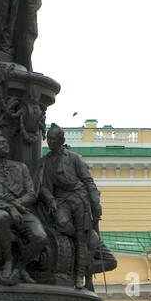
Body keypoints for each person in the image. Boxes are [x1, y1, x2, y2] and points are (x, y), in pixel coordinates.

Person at [0, 129, 46, 284]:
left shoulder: (21, 167)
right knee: (0, 216)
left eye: (6, 142)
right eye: (0, 143)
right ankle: (8, 260)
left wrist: (17, 204)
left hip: (23, 211)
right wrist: (10, 208)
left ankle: (20, 267)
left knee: (40, 237)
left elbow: (31, 193)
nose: (6, 145)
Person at [36, 123, 102, 289]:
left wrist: (95, 201)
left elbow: (88, 180)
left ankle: (79, 275)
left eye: (53, 139)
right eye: (48, 138)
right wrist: (50, 199)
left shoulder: (74, 158)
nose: (49, 142)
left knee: (82, 237)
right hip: (61, 200)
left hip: (80, 198)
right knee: (63, 222)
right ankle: (76, 240)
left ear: (61, 140)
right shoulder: (46, 161)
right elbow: (43, 186)